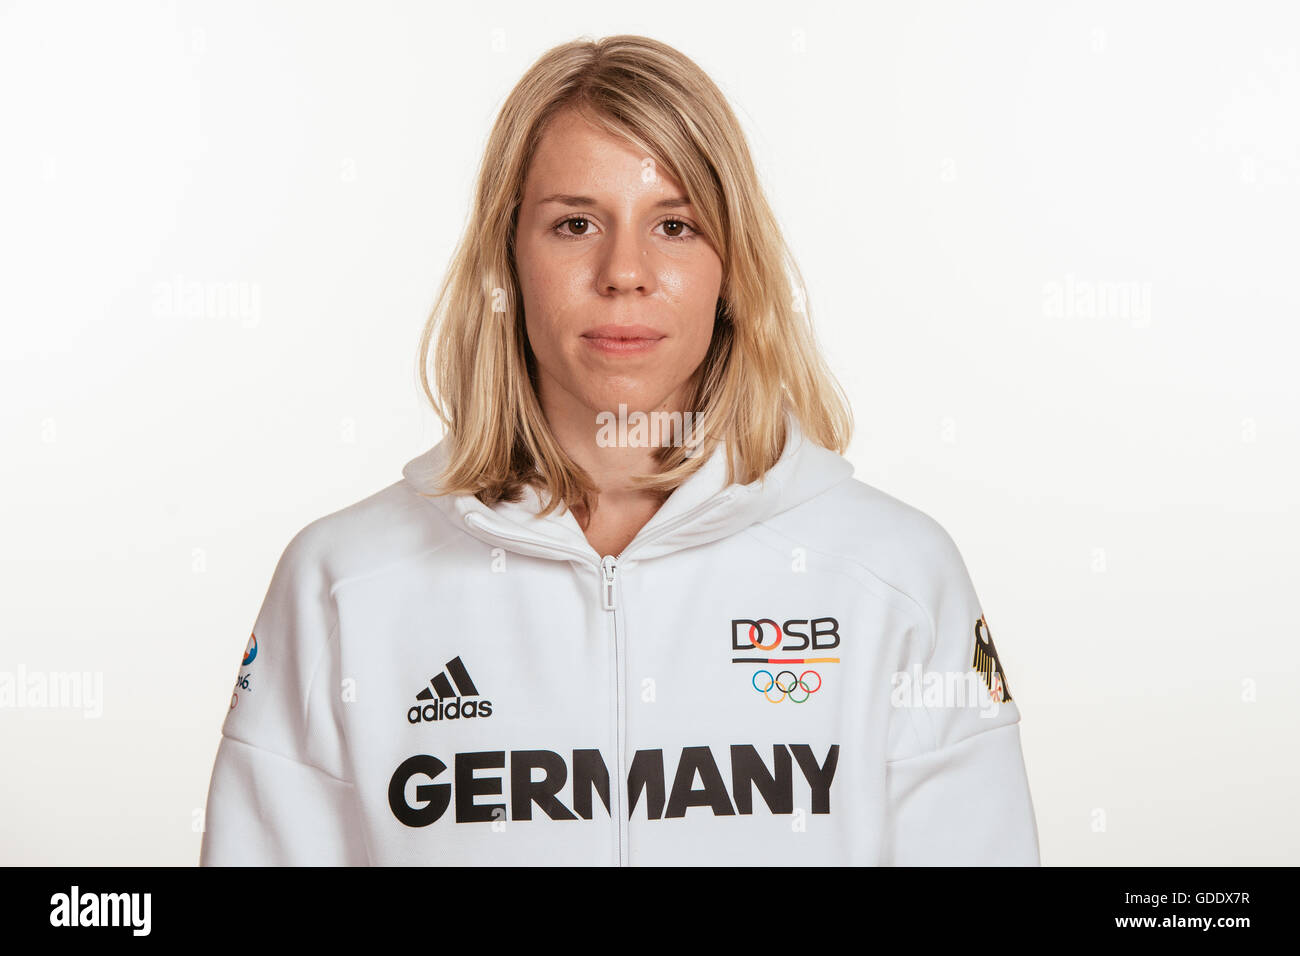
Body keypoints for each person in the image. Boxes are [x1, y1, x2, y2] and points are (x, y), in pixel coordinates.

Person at [199, 34, 1040, 866]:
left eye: (674, 224)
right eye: (574, 223)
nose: (624, 271)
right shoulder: (343, 586)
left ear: (732, 270)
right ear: (508, 260)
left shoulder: (893, 577)